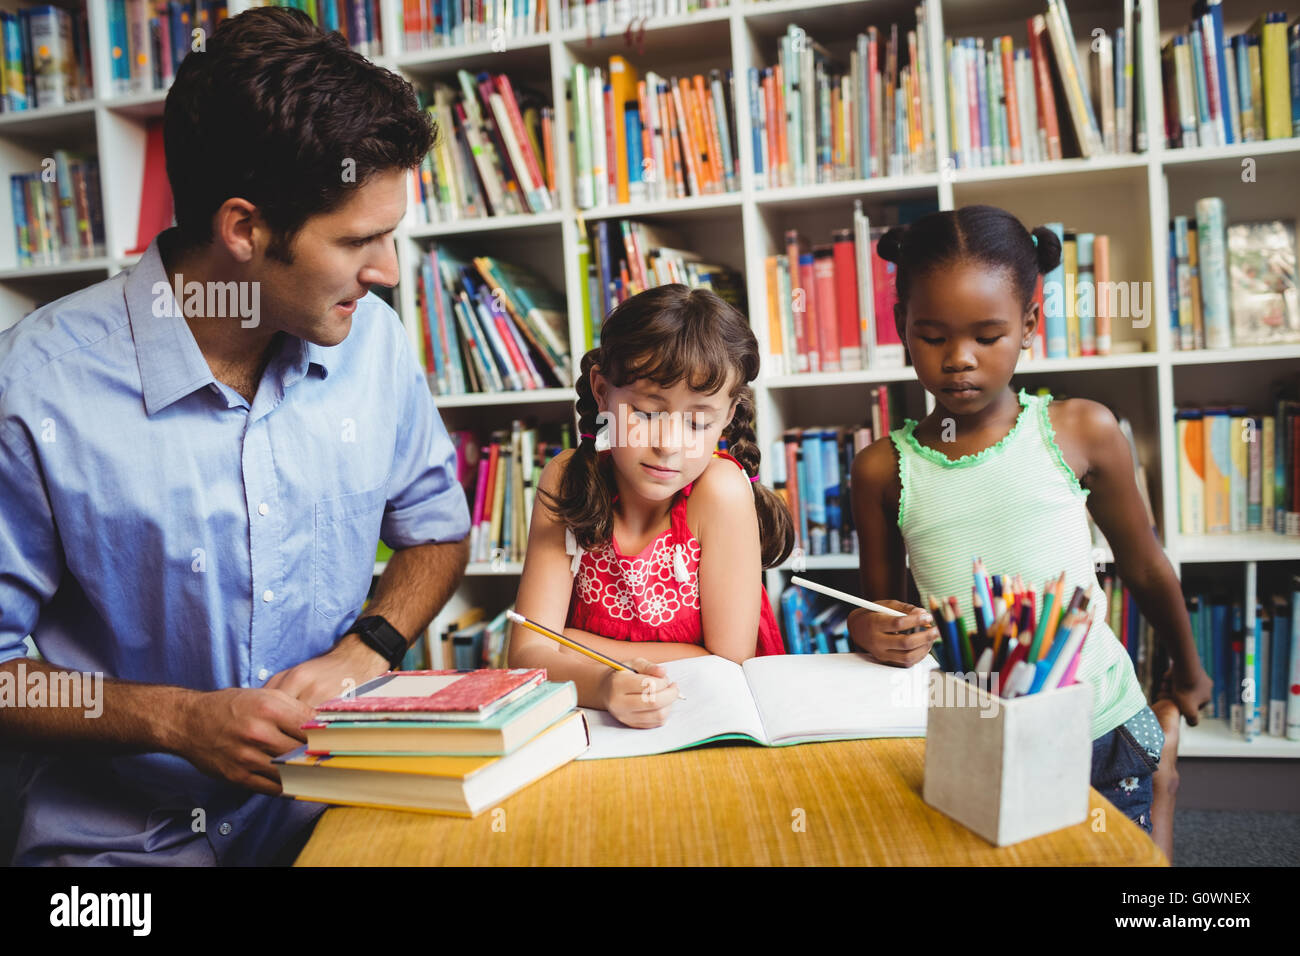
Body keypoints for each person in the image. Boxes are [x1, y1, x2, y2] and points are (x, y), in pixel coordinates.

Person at [0, 7, 470, 865]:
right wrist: (177, 720)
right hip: (116, 851)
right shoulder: (32, 388)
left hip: (343, 817)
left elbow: (435, 530)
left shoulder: (374, 343)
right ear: (245, 229)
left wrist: (368, 647)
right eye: (360, 239)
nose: (389, 272)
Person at [847, 205, 1212, 856]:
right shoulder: (882, 469)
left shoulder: (1081, 431)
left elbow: (1146, 566)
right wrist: (874, 629)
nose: (959, 360)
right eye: (933, 336)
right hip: (982, 729)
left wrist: (1188, 673)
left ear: (1030, 326)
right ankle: (1165, 775)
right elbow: (877, 610)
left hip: (1099, 720)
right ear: (904, 328)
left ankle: (1160, 770)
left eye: (987, 336)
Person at [508, 284, 794, 728]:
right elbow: (526, 655)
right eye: (645, 413)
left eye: (697, 421)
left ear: (726, 415)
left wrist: (567, 644)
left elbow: (730, 662)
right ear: (603, 393)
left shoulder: (719, 491)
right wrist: (604, 684)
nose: (668, 445)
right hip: (592, 722)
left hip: (707, 719)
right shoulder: (566, 479)